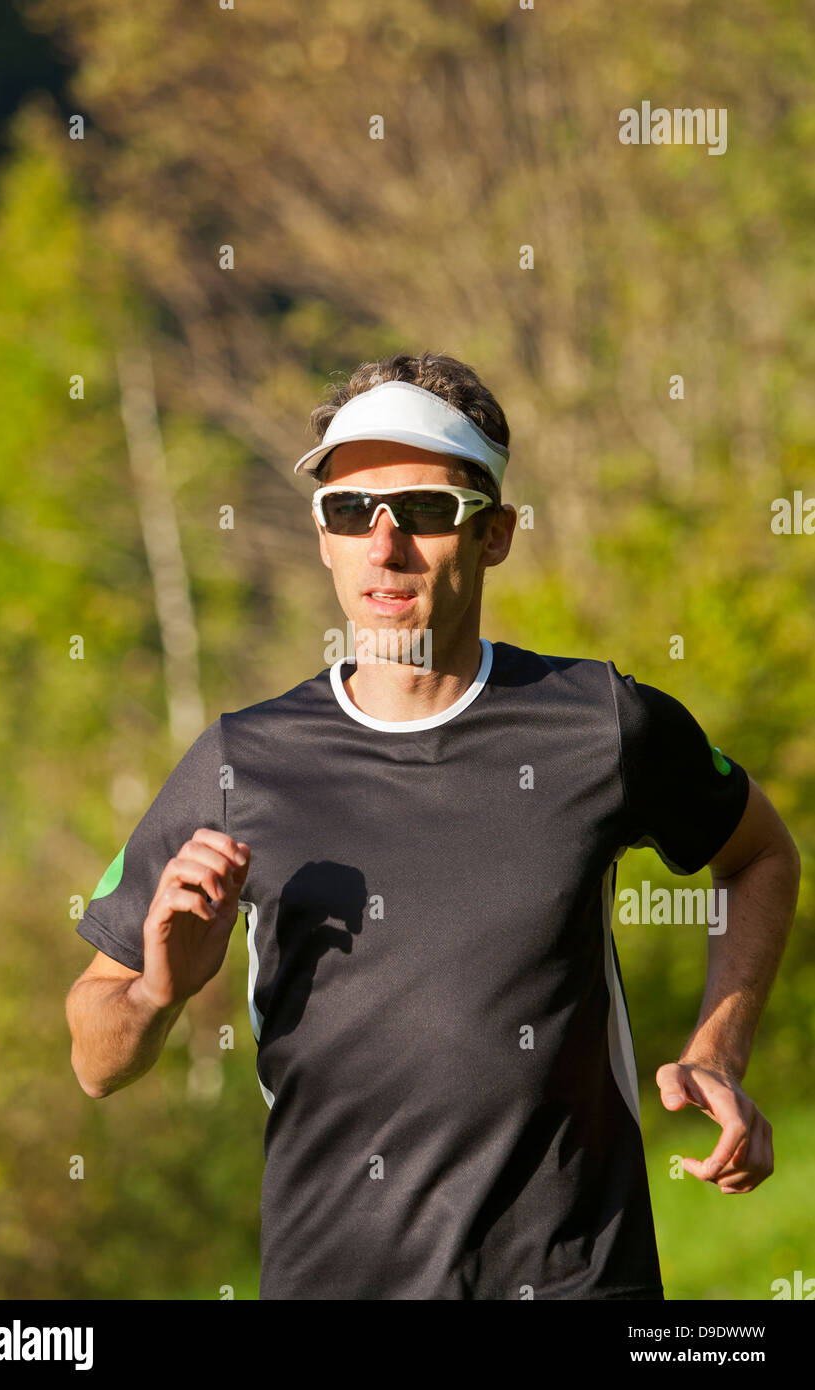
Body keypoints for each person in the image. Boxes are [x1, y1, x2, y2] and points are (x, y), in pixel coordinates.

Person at [67, 351, 800, 1301]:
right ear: (323, 539)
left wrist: (717, 1050)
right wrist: (158, 992)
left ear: (493, 535)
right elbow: (94, 1060)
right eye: (348, 512)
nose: (384, 547)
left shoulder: (600, 721)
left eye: (422, 511)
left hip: (577, 1282)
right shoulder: (238, 760)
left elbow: (761, 856)